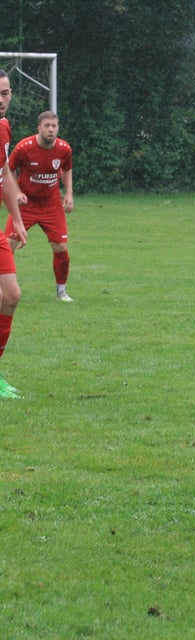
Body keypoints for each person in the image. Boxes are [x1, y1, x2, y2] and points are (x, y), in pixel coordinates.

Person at [6, 111, 75, 301]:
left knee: (61, 247)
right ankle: (4, 288)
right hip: (25, 204)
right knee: (8, 244)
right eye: (47, 126)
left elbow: (67, 169)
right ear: (39, 128)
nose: (51, 129)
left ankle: (61, 291)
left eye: (54, 126)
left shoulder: (64, 149)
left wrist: (68, 193)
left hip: (51, 205)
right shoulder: (24, 147)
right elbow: (9, 169)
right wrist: (17, 192)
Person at [0, 69, 29, 399]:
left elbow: (4, 172)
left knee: (11, 295)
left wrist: (16, 219)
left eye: (5, 93)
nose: (1, 100)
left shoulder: (4, 128)